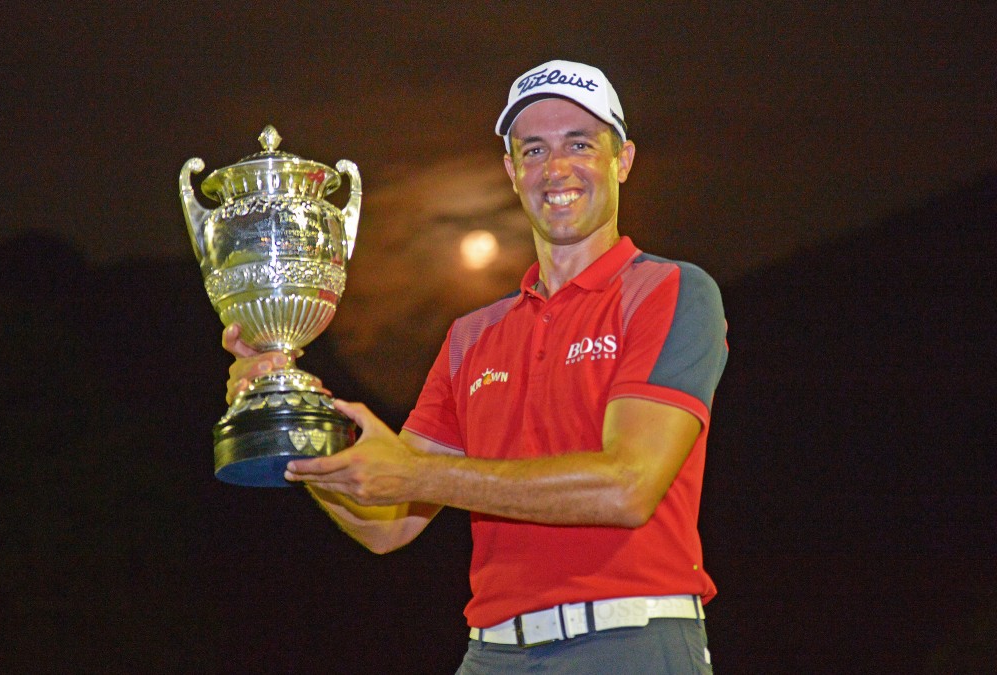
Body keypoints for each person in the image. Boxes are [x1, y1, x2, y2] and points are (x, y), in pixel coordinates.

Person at [223, 59, 728, 674]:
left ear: (621, 160)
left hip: (629, 640)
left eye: (580, 144)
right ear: (513, 172)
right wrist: (288, 415)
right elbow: (386, 524)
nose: (557, 169)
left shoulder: (672, 290)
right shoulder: (472, 337)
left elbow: (628, 486)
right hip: (493, 652)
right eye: (534, 149)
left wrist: (416, 477)